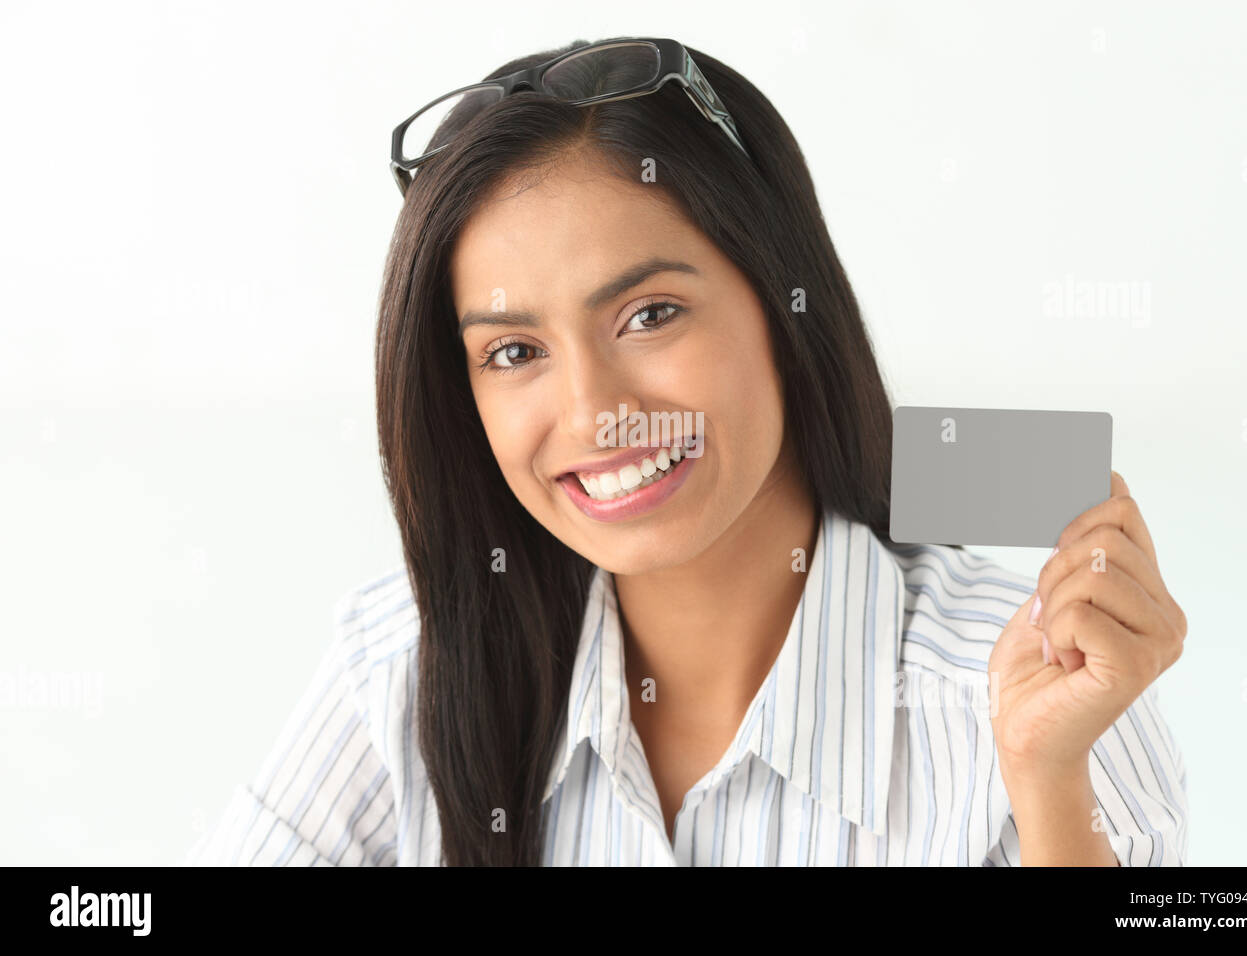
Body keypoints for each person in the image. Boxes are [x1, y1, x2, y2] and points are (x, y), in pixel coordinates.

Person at [185, 36, 1188, 866]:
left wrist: (1050, 789)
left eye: (649, 313)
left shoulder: (1041, 695)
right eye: (515, 351)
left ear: (784, 307)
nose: (593, 413)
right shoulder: (399, 662)